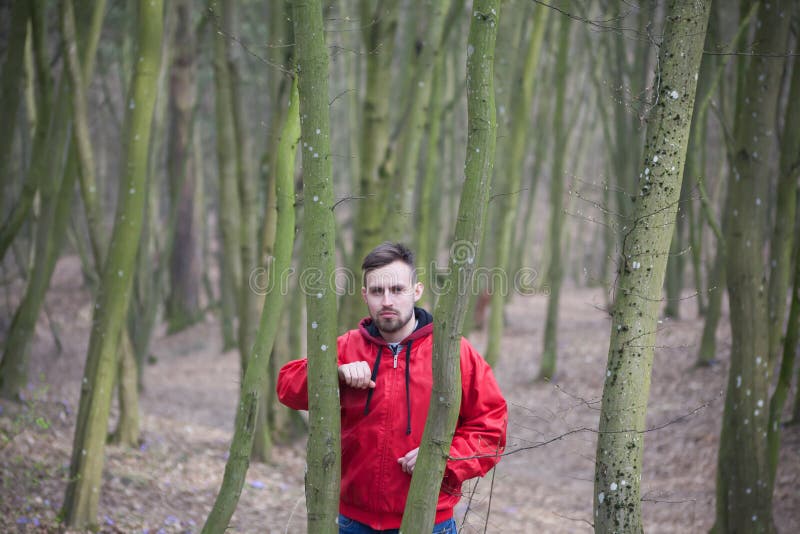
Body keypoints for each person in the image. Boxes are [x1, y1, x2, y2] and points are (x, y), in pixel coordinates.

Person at [277, 242, 507, 533]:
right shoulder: (347, 346)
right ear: (365, 295)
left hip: (427, 521)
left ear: (417, 290)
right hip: (351, 522)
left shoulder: (452, 352)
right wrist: (332, 375)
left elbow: (492, 429)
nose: (387, 300)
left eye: (397, 290)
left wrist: (441, 458)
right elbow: (286, 386)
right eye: (377, 291)